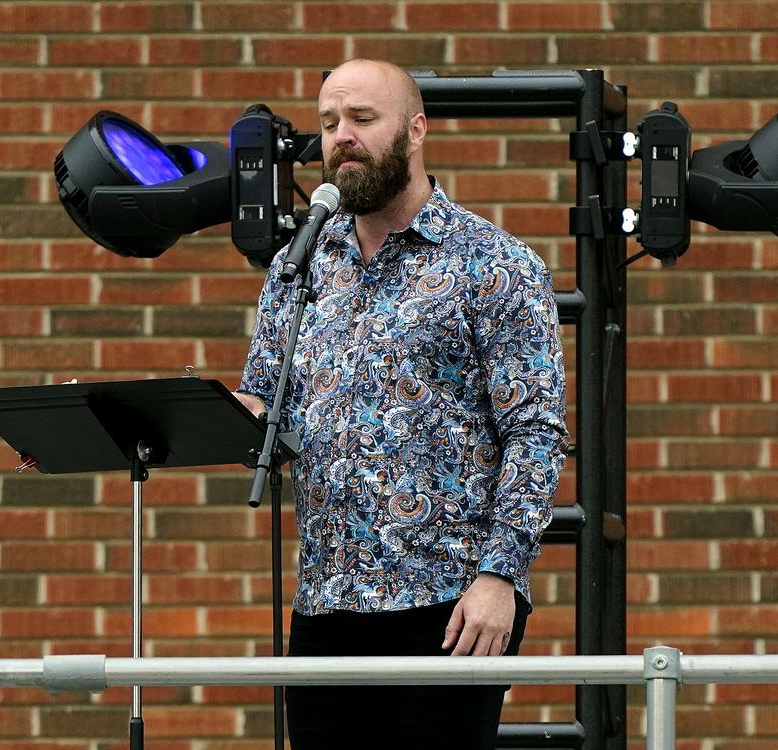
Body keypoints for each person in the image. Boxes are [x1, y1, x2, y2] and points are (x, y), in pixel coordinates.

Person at [235, 59, 567, 750]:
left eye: (361, 120)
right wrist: (112, 429)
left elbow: (535, 432)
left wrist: (500, 577)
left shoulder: (495, 264)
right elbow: (259, 404)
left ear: (416, 130)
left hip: (449, 603)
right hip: (326, 602)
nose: (341, 138)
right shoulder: (301, 265)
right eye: (328, 124)